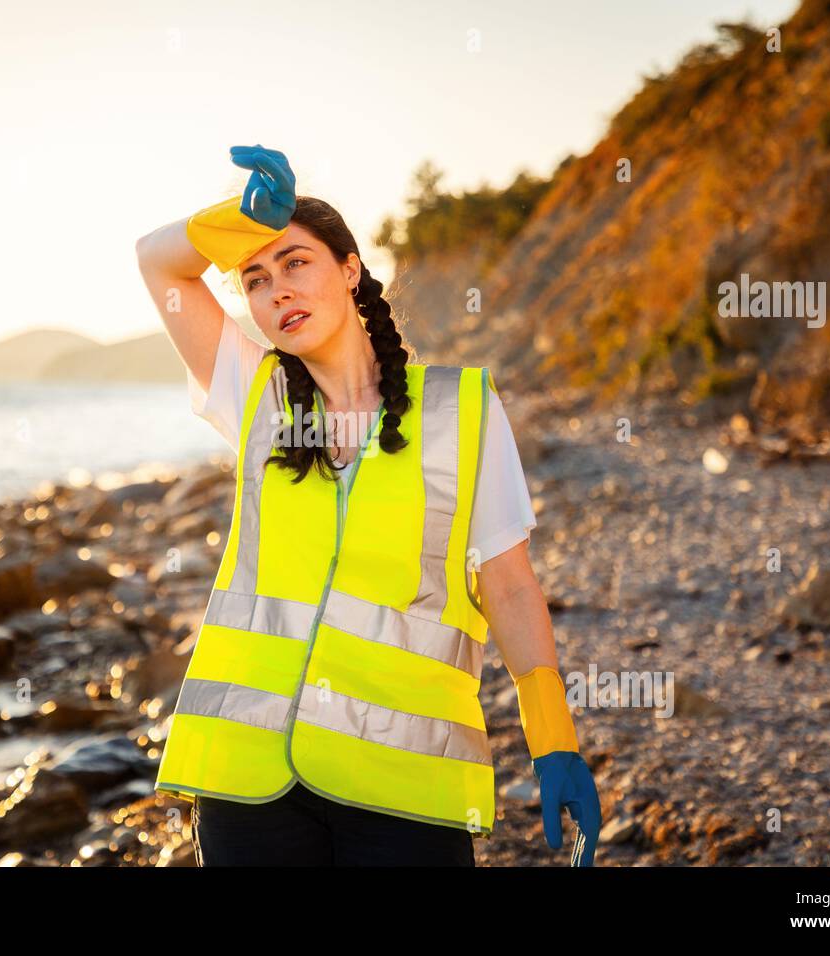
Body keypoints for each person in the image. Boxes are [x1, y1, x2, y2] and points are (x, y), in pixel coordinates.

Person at [135, 145, 601, 867]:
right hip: (249, 775)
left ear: (350, 270)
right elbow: (159, 262)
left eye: (296, 263)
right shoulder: (256, 396)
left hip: (404, 784)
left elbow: (508, 585)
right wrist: (237, 219)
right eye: (256, 280)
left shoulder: (463, 411)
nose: (278, 290)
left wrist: (555, 740)